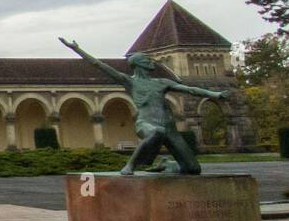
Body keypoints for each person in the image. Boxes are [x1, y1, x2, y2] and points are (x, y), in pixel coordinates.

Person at [58, 38, 229, 175]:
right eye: (147, 60)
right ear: (139, 64)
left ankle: (166, 164)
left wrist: (216, 95)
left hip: (169, 127)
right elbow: (100, 66)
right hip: (147, 123)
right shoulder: (130, 82)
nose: (152, 62)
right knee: (156, 132)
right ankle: (130, 165)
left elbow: (190, 89)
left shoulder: (162, 82)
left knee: (192, 169)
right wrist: (77, 49)